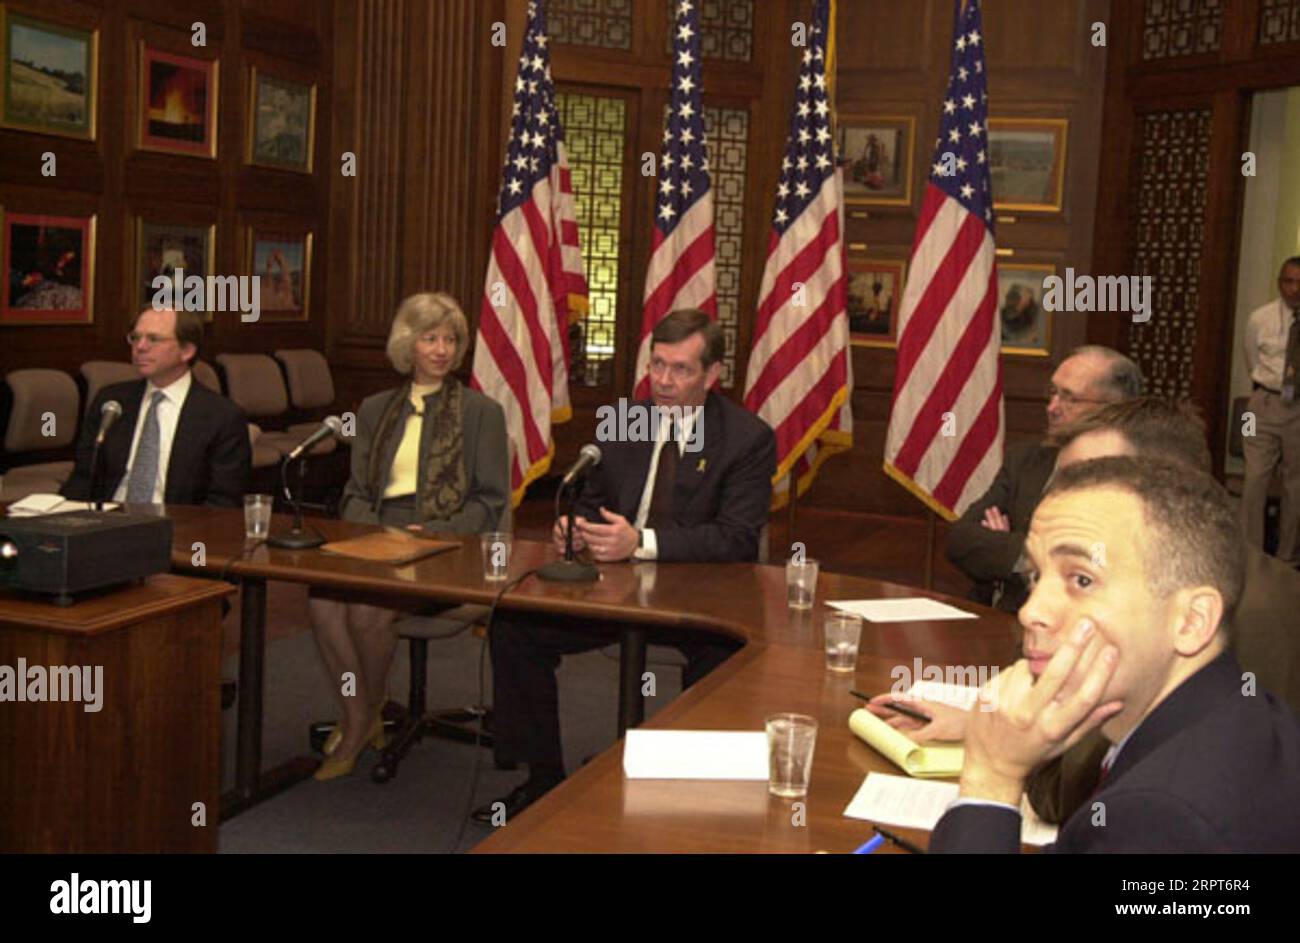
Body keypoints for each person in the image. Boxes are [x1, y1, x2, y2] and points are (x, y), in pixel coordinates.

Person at [871, 396, 1300, 825]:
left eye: (1095, 479)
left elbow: (1061, 794)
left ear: (1168, 490)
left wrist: (998, 768)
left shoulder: (1240, 614)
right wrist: (979, 724)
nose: (1064, 499)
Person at [475, 308, 776, 821]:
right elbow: (595, 501)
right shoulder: (624, 421)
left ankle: (685, 790)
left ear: (712, 375)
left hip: (701, 592)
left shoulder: (746, 438)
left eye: (680, 369)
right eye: (657, 364)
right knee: (515, 625)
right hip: (614, 585)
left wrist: (642, 542)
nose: (663, 381)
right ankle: (542, 778)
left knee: (723, 660)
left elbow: (737, 538)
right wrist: (577, 528)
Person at [309, 292, 509, 780]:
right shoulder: (376, 409)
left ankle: (361, 718)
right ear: (407, 343)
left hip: (451, 543)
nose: (441, 350)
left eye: (450, 339)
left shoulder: (481, 412)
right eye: (429, 338)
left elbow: (490, 501)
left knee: (368, 610)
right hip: (377, 535)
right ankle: (361, 709)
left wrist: (434, 532)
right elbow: (354, 493)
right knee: (323, 601)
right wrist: (379, 533)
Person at [946, 345, 1143, 612]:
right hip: (1001, 615)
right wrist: (1044, 556)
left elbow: (1100, 567)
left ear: (1113, 409)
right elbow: (960, 539)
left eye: (1070, 399)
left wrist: (1008, 549)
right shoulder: (1025, 461)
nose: (1052, 407)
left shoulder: (1132, 477)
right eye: (1053, 393)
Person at [61, 307, 250, 507]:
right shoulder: (111, 402)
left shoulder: (222, 416)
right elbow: (83, 477)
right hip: (109, 517)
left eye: (153, 339)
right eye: (135, 338)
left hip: (179, 521)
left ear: (186, 350)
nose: (140, 347)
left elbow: (223, 502)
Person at [1241, 255, 1300, 565]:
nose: (1294, 289)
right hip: (1258, 407)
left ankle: (1287, 557)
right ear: (1279, 283)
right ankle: (1250, 552)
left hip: (1298, 408)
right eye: (1288, 281)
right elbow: (1251, 358)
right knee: (1253, 478)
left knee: (1296, 484)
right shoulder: (1259, 318)